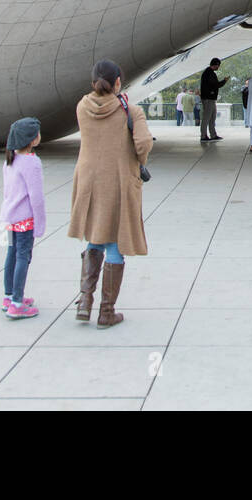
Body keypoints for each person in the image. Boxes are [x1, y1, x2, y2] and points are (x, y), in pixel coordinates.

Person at [68, 58, 153, 329]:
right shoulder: (131, 111)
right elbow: (142, 143)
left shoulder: (83, 107)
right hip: (117, 181)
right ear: (118, 81)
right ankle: (106, 311)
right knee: (115, 240)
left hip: (88, 181)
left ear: (93, 82)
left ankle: (84, 302)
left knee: (94, 236)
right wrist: (139, 160)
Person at [0, 117, 46, 319]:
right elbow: (36, 197)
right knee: (23, 257)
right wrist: (40, 224)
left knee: (11, 255)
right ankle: (17, 303)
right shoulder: (31, 162)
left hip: (9, 217)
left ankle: (9, 296)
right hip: (25, 218)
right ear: (33, 139)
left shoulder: (10, 160)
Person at [199, 57, 228, 142]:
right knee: (207, 117)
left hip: (210, 98)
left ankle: (213, 134)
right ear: (215, 65)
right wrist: (224, 81)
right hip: (208, 98)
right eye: (218, 65)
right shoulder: (209, 73)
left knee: (212, 117)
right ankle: (203, 135)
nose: (218, 67)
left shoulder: (208, 72)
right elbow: (215, 85)